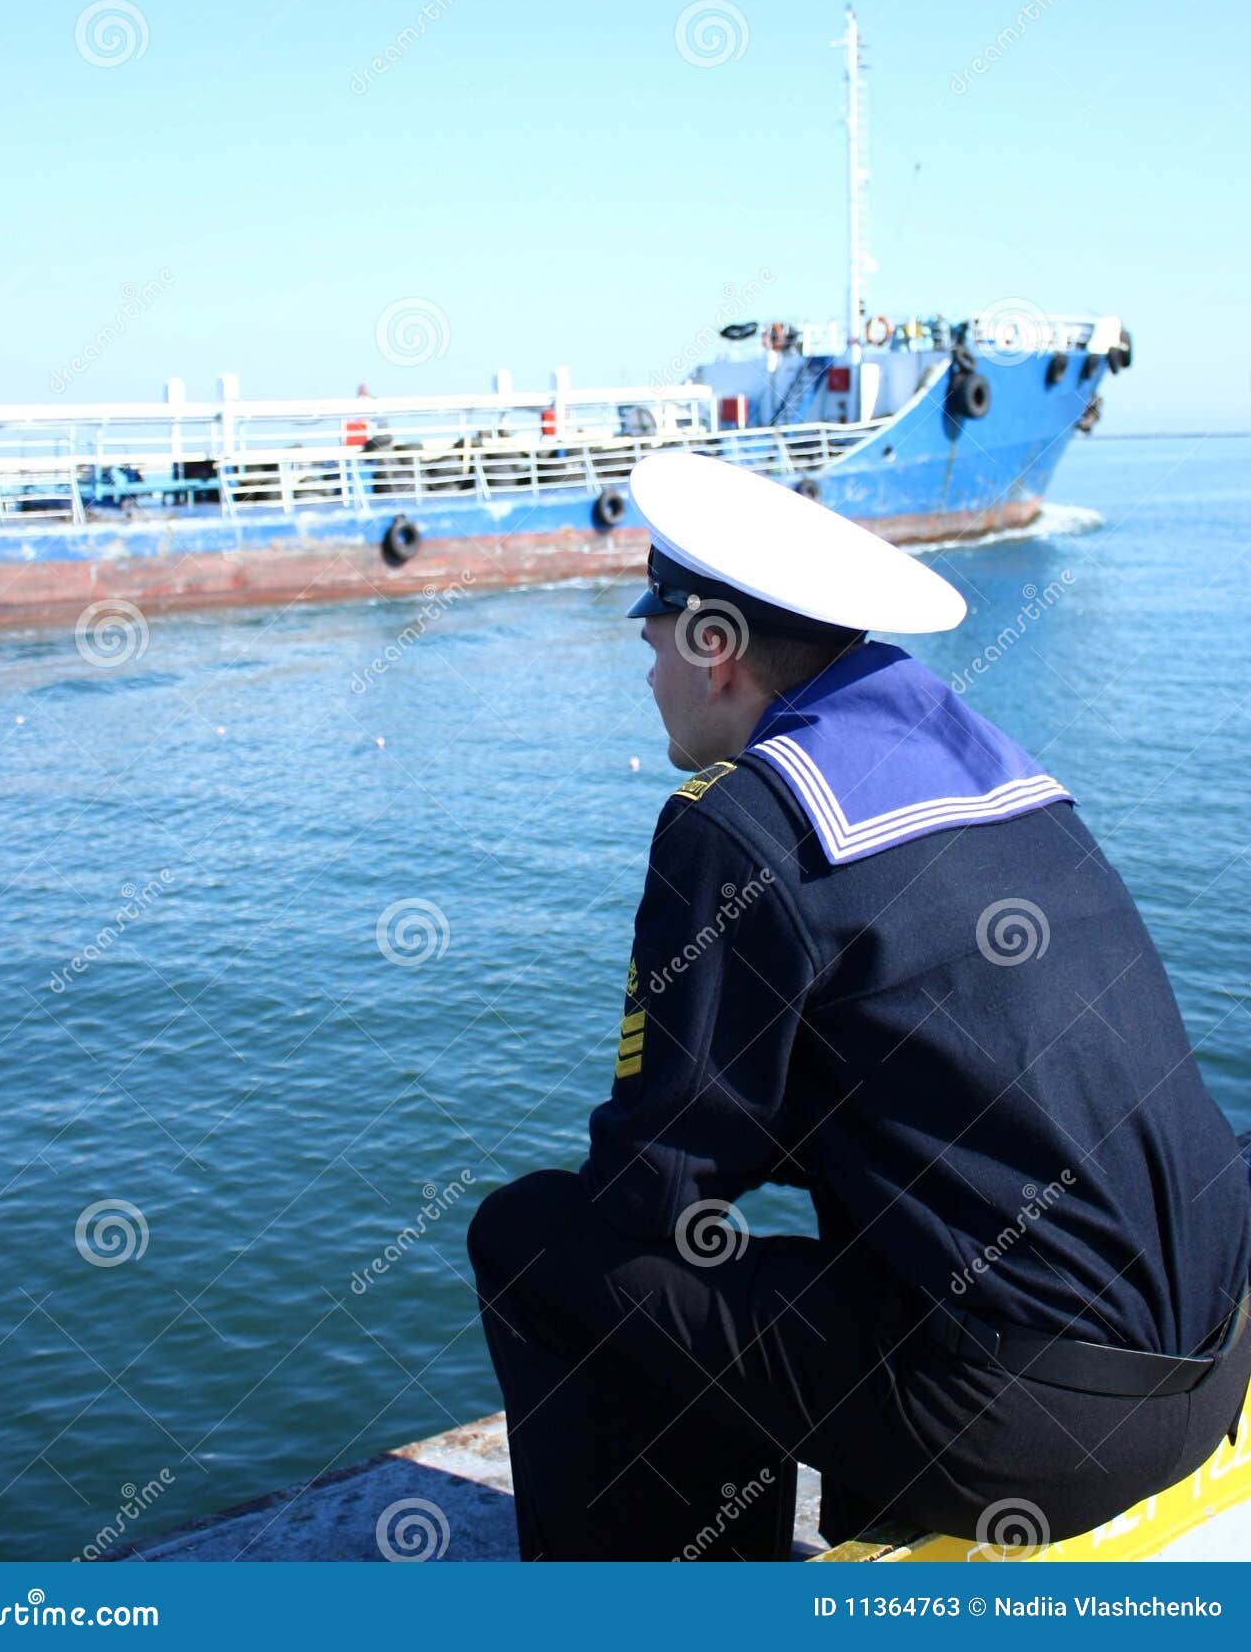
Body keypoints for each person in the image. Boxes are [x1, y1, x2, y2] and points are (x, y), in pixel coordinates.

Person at [468, 451, 1251, 1562]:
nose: (646, 675)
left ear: (715, 649)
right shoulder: (995, 769)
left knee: (533, 1236)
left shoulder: (740, 824)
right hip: (1210, 1365)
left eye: (653, 642)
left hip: (1036, 1436)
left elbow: (660, 1187)